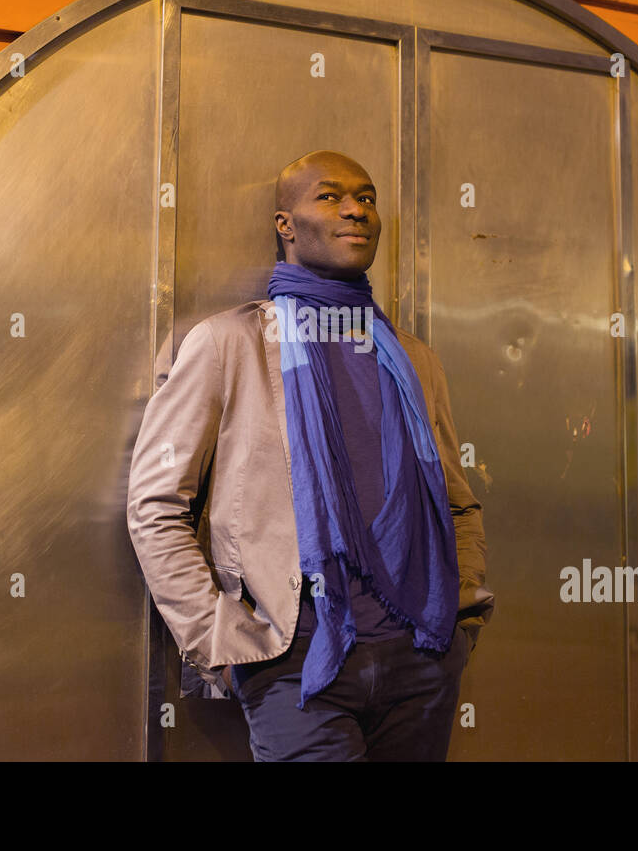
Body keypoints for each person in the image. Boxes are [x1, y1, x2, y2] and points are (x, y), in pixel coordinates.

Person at [126, 150, 494, 760]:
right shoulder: (231, 343)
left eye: (368, 197)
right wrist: (220, 635)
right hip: (297, 663)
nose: (356, 210)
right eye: (330, 196)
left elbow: (457, 501)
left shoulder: (414, 360)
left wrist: (460, 609)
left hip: (421, 658)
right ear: (285, 225)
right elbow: (156, 504)